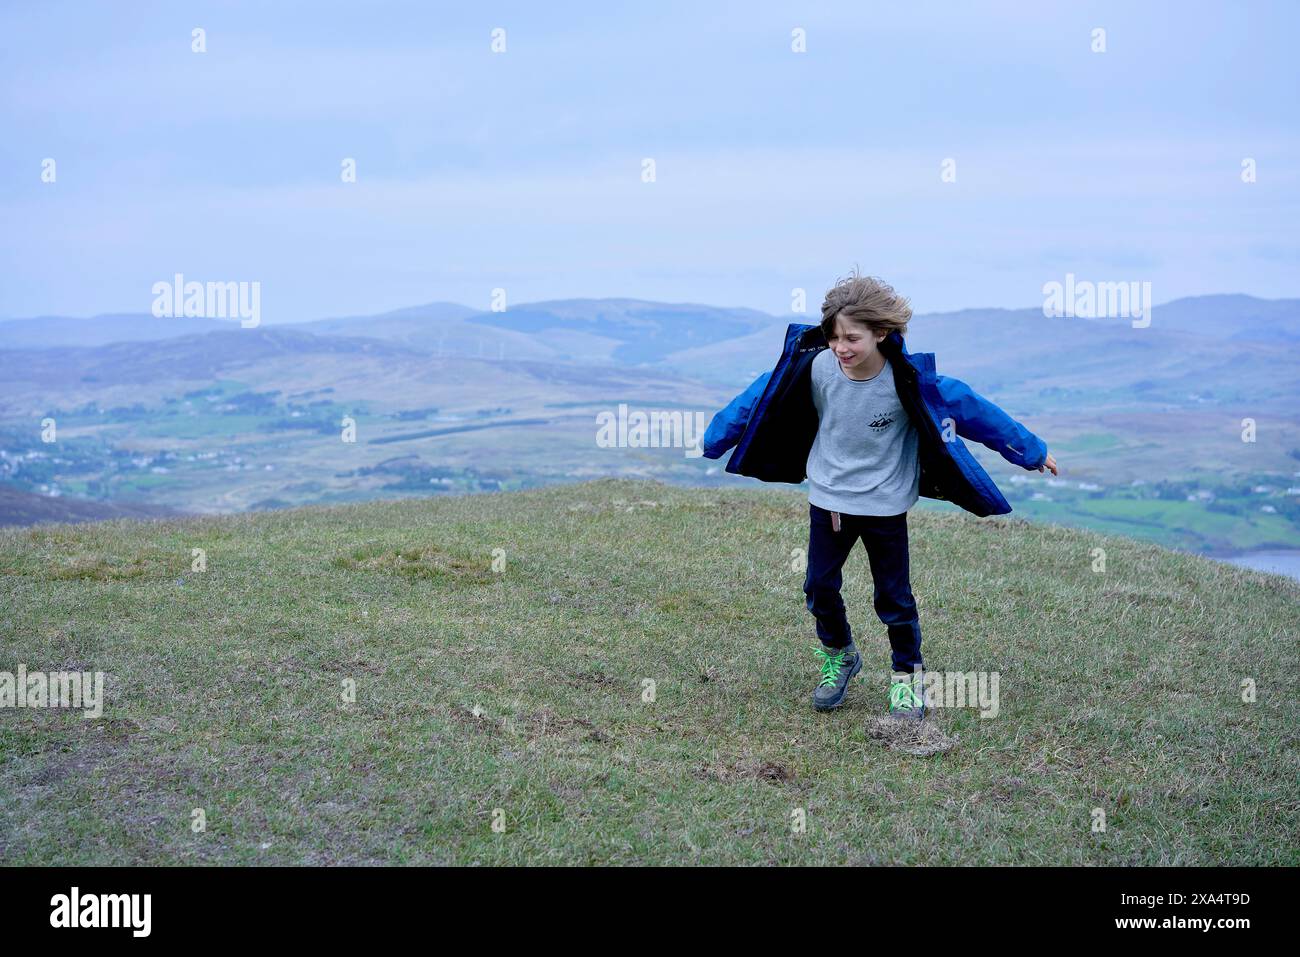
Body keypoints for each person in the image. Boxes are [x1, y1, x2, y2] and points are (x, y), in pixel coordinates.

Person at [702, 270, 1058, 719]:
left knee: (894, 599)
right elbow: (758, 397)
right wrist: (715, 439)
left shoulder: (908, 382)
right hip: (829, 499)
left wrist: (1032, 452)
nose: (841, 348)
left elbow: (975, 411)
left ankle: (907, 680)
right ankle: (841, 656)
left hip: (885, 506)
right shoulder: (815, 369)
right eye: (834, 337)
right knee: (818, 587)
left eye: (852, 338)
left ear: (882, 333)